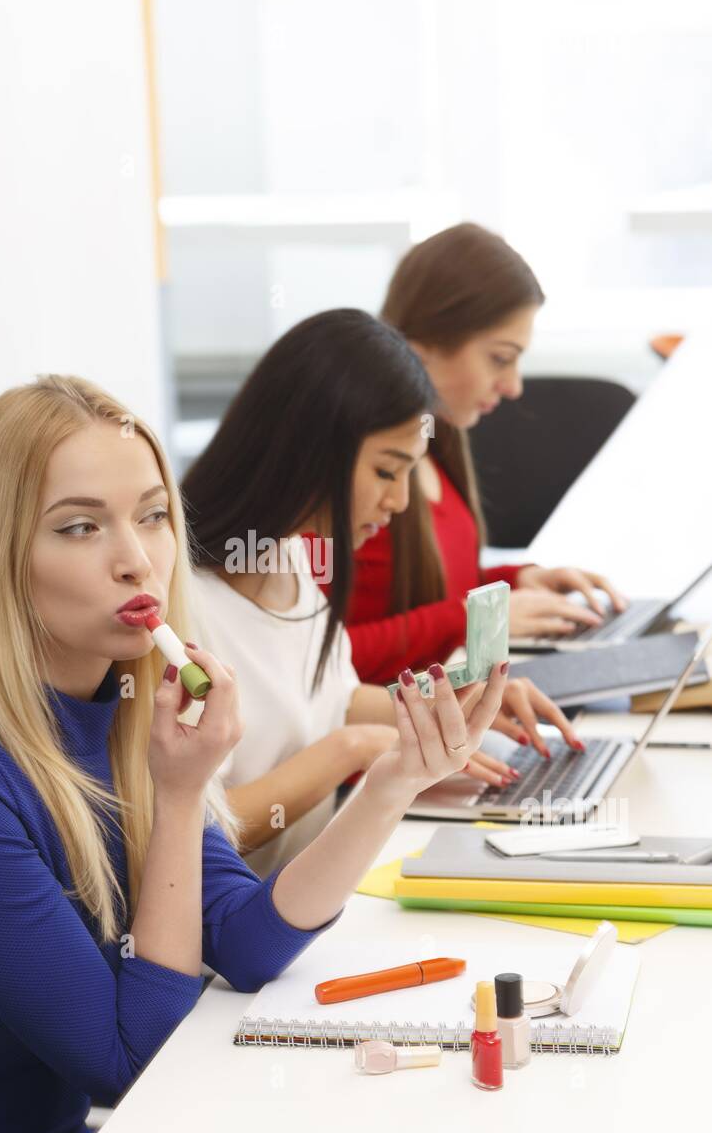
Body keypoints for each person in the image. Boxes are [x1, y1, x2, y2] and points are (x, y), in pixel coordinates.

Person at [0, 373, 505, 1133]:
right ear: (3, 556)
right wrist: (185, 793)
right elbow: (132, 1062)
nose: (136, 557)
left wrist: (395, 779)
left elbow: (246, 939)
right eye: (80, 527)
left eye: (153, 514)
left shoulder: (120, 714)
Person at [183, 309, 578, 877]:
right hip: (246, 932)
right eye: (387, 472)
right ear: (310, 450)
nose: (398, 503)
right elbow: (197, 837)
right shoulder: (188, 608)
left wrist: (456, 701)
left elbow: (337, 698)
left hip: (321, 892)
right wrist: (354, 748)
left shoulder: (293, 555)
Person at [343, 223, 628, 692]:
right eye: (500, 358)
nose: (514, 386)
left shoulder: (436, 442)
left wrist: (517, 580)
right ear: (423, 349)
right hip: (391, 738)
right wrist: (477, 620)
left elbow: (431, 587)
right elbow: (320, 657)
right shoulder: (364, 475)